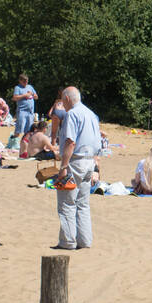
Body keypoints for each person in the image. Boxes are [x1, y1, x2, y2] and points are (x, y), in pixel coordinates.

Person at [54, 86, 102, 249]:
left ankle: (67, 241)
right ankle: (85, 240)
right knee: (83, 203)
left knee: (66, 203)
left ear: (67, 99)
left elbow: (70, 142)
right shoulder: (91, 114)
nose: (62, 104)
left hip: (76, 161)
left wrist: (63, 166)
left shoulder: (72, 114)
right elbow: (98, 143)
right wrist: (96, 166)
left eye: (62, 100)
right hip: (90, 162)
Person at [11, 74, 37, 139]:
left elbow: (36, 97)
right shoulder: (17, 88)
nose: (26, 82)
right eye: (24, 81)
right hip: (22, 110)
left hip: (30, 111)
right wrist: (25, 95)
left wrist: (33, 94)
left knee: (29, 128)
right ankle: (14, 140)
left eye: (27, 81)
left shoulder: (30, 87)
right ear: (20, 81)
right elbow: (14, 98)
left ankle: (26, 142)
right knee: (19, 127)